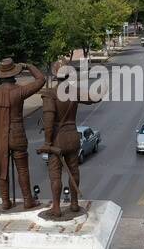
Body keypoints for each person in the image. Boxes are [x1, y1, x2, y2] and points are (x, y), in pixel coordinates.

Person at [39, 61, 102, 217]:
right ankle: (74, 204)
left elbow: (48, 120)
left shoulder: (50, 94)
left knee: (55, 175)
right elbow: (94, 97)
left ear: (55, 76)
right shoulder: (74, 92)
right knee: (74, 171)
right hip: (73, 136)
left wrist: (47, 143)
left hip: (57, 139)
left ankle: (56, 207)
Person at [0, 58, 45, 210]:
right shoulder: (19, 92)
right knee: (22, 169)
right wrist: (27, 65)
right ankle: (27, 200)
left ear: (0, 76)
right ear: (15, 74)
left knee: (1, 168)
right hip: (17, 135)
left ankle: (5, 201)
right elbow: (41, 79)